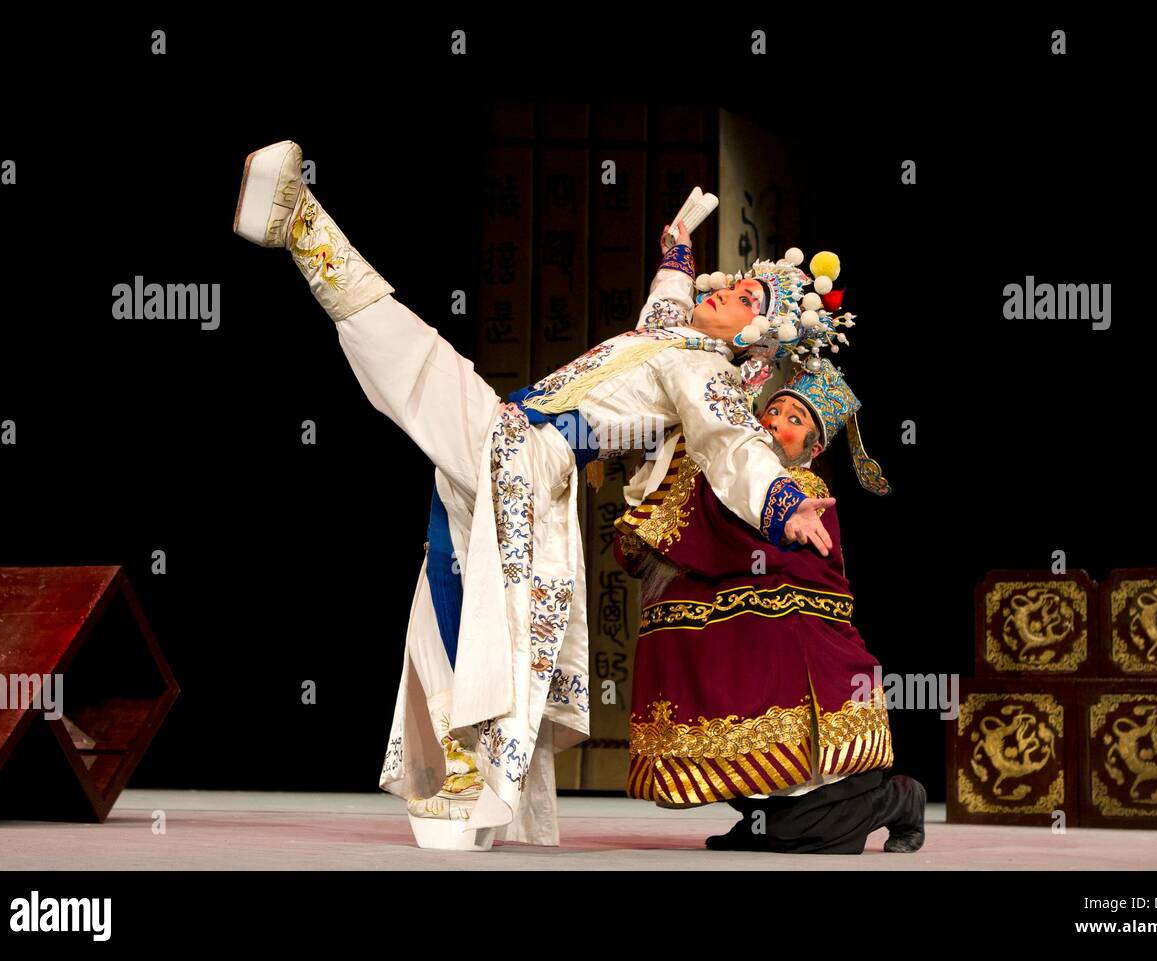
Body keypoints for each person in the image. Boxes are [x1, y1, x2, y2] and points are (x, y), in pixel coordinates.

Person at [231, 141, 836, 849]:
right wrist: (676, 250)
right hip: (510, 434)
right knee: (453, 575)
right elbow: (667, 302)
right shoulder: (672, 337)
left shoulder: (706, 376)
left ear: (755, 341)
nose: (723, 292)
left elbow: (731, 444)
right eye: (733, 285)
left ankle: (300, 221)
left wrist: (785, 503)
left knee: (417, 368)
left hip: (531, 455)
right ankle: (464, 776)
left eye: (743, 301)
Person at [612, 281, 927, 855]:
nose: (775, 421)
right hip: (735, 636)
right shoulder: (742, 476)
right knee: (719, 715)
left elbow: (727, 530)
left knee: (816, 838)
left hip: (797, 649)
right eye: (772, 410)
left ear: (813, 448)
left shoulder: (803, 493)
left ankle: (892, 801)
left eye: (793, 420)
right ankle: (765, 817)